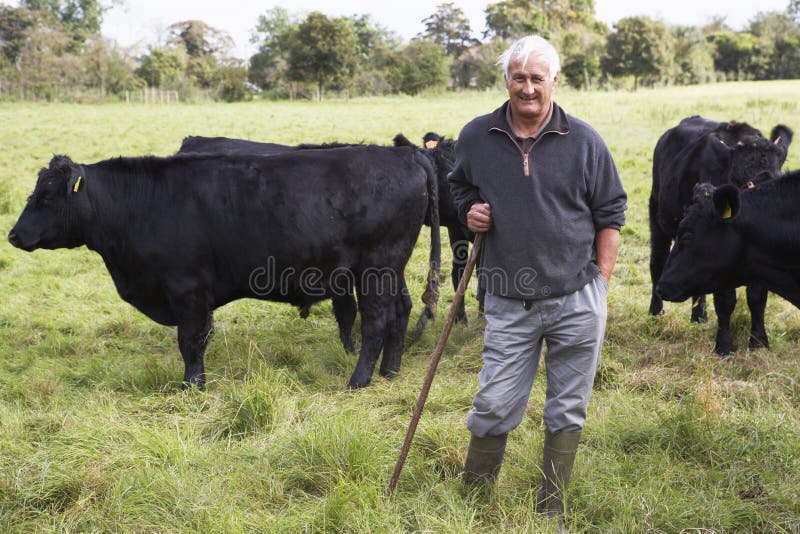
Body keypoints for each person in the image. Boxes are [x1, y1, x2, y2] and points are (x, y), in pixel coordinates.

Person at [448, 35, 627, 518]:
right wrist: (470, 211)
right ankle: (474, 505)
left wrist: (601, 282)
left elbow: (612, 211)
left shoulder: (585, 141)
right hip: (509, 299)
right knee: (493, 404)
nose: (527, 88)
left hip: (577, 297)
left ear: (554, 81)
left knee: (567, 410)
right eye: (518, 77)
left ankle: (552, 510)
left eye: (536, 79)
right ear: (506, 80)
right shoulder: (475, 137)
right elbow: (457, 187)